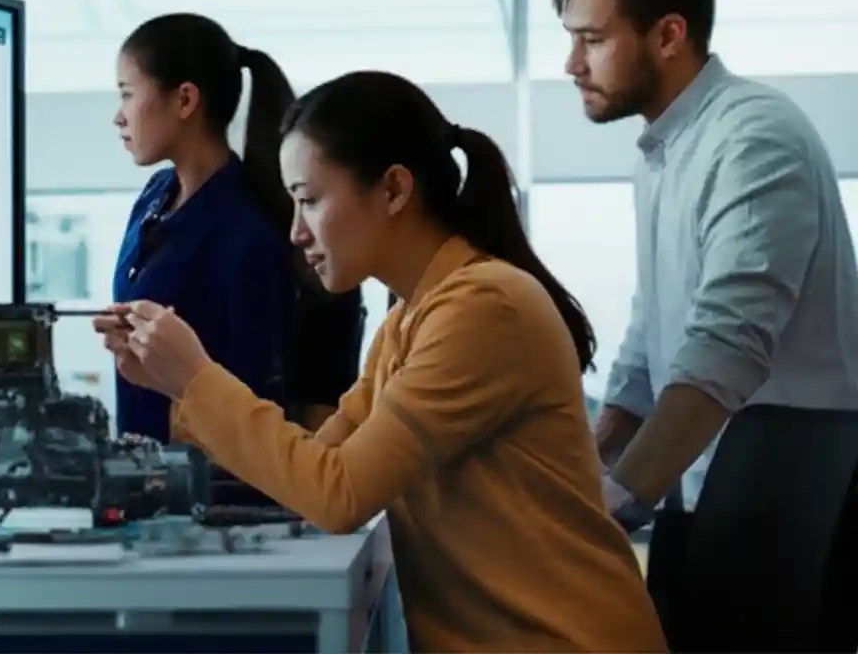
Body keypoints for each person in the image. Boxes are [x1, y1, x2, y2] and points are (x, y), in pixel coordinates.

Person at [97, 71, 667, 652]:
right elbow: (316, 469)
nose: (296, 232)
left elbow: (339, 494)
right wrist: (174, 382)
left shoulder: (484, 306)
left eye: (310, 201)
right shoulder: (412, 318)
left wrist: (196, 378)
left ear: (394, 190)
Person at [554, 0, 858, 543]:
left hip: (783, 490)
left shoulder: (753, 139)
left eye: (592, 40)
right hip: (706, 487)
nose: (572, 64)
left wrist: (613, 501)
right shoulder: (661, 157)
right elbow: (650, 337)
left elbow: (727, 343)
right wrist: (583, 471)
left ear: (668, 35)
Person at [107, 13, 363, 448]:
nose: (119, 117)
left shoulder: (247, 235)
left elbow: (254, 402)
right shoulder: (156, 196)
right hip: (144, 481)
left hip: (217, 494)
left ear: (185, 100)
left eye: (128, 94)